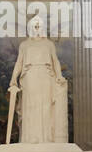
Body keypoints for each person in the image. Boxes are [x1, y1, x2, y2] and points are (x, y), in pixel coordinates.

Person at [7, 14, 68, 144]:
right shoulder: (24, 45)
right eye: (34, 25)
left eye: (39, 25)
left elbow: (55, 61)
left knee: (46, 106)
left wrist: (59, 76)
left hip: (46, 76)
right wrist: (13, 78)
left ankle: (46, 137)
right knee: (30, 106)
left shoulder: (49, 44)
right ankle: (29, 138)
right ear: (30, 27)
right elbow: (19, 62)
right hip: (29, 76)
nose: (37, 28)